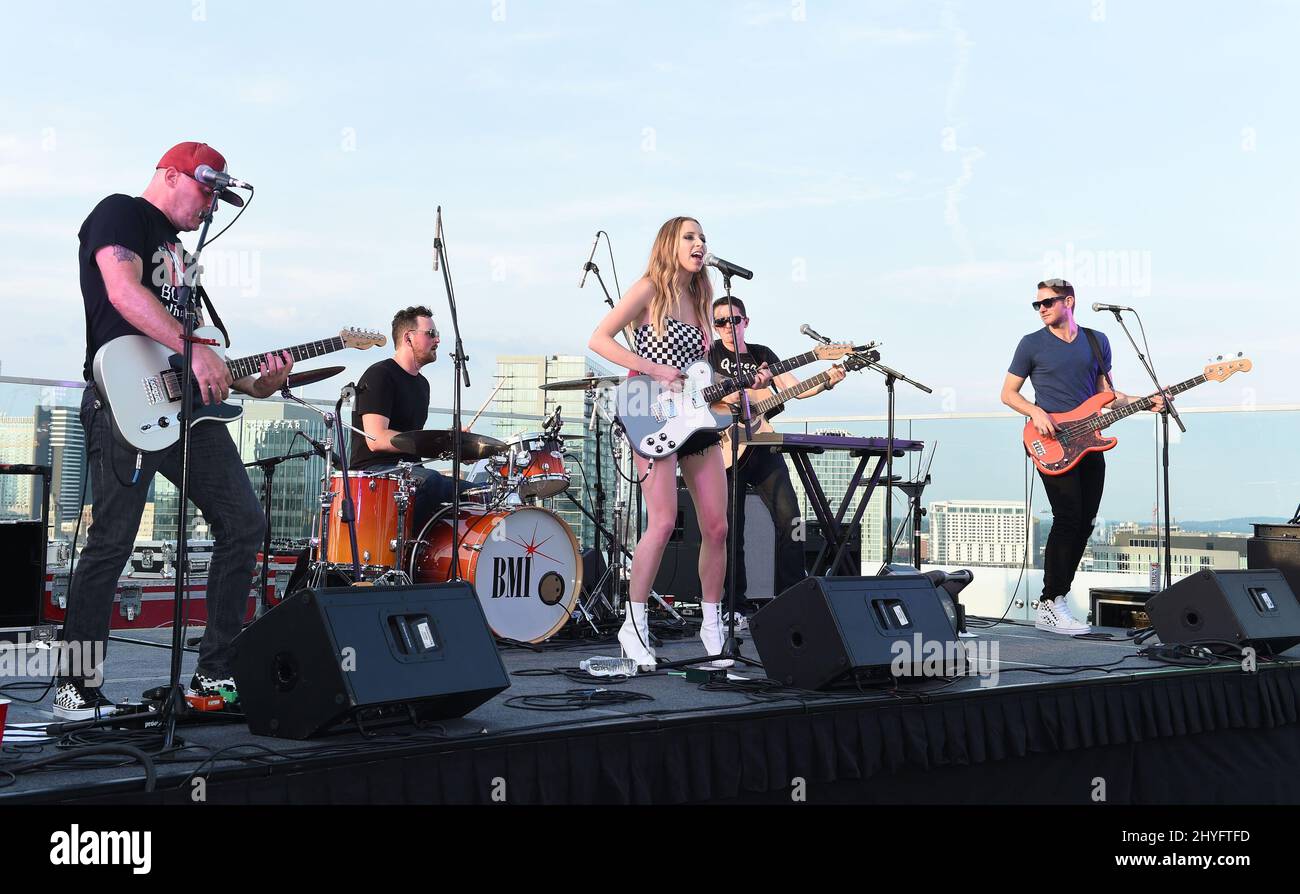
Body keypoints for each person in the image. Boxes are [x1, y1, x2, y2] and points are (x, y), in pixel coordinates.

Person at [56, 141, 292, 719]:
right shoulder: (121, 212)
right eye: (205, 188)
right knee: (111, 542)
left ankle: (215, 674)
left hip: (183, 411)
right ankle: (75, 687)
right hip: (121, 403)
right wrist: (193, 346)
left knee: (244, 522)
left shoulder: (183, 255)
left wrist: (246, 383)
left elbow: (188, 361)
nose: (212, 204)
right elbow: (121, 290)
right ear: (169, 174)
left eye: (218, 195)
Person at [588, 217, 770, 668]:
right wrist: (654, 369)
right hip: (647, 407)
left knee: (718, 525)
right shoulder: (650, 288)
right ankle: (633, 623)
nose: (699, 243)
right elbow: (598, 339)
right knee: (663, 520)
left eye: (704, 237)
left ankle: (711, 625)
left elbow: (700, 372)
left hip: (695, 417)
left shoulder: (704, 297)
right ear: (671, 243)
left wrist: (746, 379)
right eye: (690, 237)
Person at [1001, 278, 1164, 635]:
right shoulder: (1031, 344)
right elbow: (1008, 394)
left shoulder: (1096, 340)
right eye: (1037, 304)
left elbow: (1106, 394)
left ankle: (1056, 600)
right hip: (1051, 441)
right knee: (1067, 517)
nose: (1041, 308)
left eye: (1048, 302)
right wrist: (1035, 412)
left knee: (1086, 520)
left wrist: (1145, 401)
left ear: (1069, 302)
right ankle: (1049, 602)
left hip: (1089, 440)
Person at [707, 296, 845, 621]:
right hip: (723, 449)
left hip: (763, 445)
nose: (728, 327)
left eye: (734, 320)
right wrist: (731, 400)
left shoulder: (763, 355)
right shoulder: (708, 354)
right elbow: (695, 394)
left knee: (792, 522)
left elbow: (795, 388)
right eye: (721, 322)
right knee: (732, 530)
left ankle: (791, 600)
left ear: (746, 321)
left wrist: (827, 380)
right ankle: (734, 607)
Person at [349, 306, 468, 535]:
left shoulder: (422, 385)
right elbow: (376, 438)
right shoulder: (380, 375)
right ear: (408, 338)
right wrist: (434, 442)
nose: (438, 340)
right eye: (431, 334)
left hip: (409, 470)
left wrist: (454, 445)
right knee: (432, 482)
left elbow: (416, 441)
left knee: (477, 493)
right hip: (375, 473)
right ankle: (402, 551)